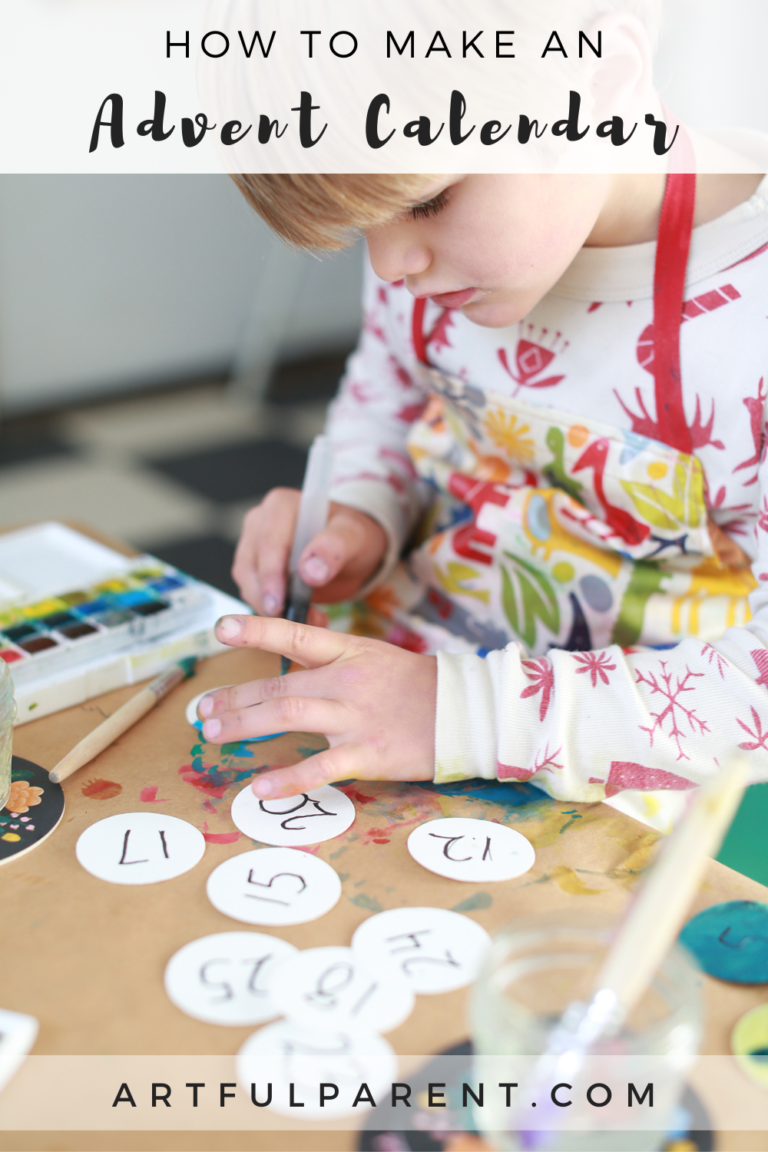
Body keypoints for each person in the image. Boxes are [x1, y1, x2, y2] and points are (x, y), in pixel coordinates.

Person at [197, 7, 768, 830]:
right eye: (365, 224)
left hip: (599, 791)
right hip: (388, 702)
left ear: (599, 73)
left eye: (427, 201)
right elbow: (385, 400)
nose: (392, 265)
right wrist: (362, 513)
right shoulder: (446, 266)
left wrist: (456, 715)